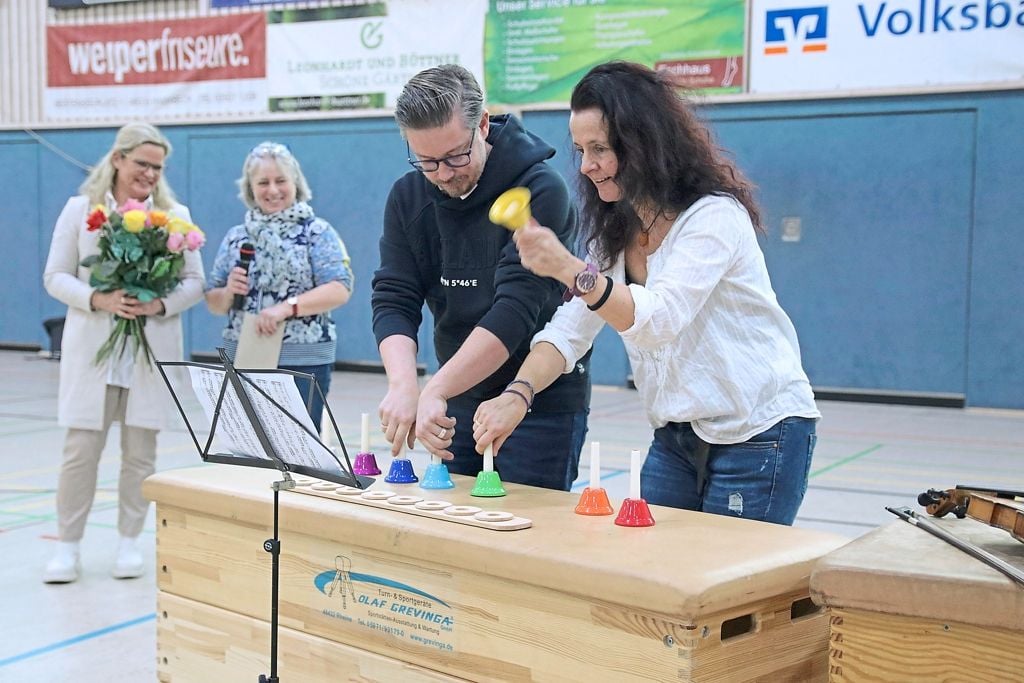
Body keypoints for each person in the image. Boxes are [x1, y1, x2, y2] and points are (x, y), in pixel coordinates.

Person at [473, 61, 821, 525]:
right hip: (676, 435)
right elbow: (569, 331)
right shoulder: (615, 230)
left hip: (760, 431)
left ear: (644, 144)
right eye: (579, 149)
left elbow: (660, 320)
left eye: (600, 148)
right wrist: (518, 392)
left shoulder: (713, 217)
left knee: (737, 584)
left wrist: (567, 267)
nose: (586, 165)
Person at [372, 64, 590, 491]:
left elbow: (514, 310)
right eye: (427, 161)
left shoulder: (540, 189)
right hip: (456, 397)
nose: (444, 174)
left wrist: (434, 387)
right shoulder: (408, 196)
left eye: (456, 156)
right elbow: (394, 296)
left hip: (537, 405)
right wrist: (404, 386)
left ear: (483, 125)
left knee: (524, 541)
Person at [42, 123, 205, 583]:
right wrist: (100, 298)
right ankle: (67, 548)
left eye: (157, 168)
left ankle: (130, 542)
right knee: (80, 453)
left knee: (140, 454)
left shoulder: (175, 214)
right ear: (118, 159)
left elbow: (194, 282)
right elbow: (55, 276)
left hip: (148, 352)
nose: (150, 175)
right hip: (94, 351)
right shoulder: (80, 210)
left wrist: (159, 303)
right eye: (142, 164)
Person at [205, 142, 353, 430]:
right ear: (251, 188)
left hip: (304, 360)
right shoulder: (237, 236)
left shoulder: (317, 232)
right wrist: (227, 292)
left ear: (295, 182)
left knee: (299, 447)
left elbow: (339, 288)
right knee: (250, 446)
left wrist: (285, 309)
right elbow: (213, 300)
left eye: (280, 180)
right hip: (247, 356)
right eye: (263, 182)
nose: (272, 190)